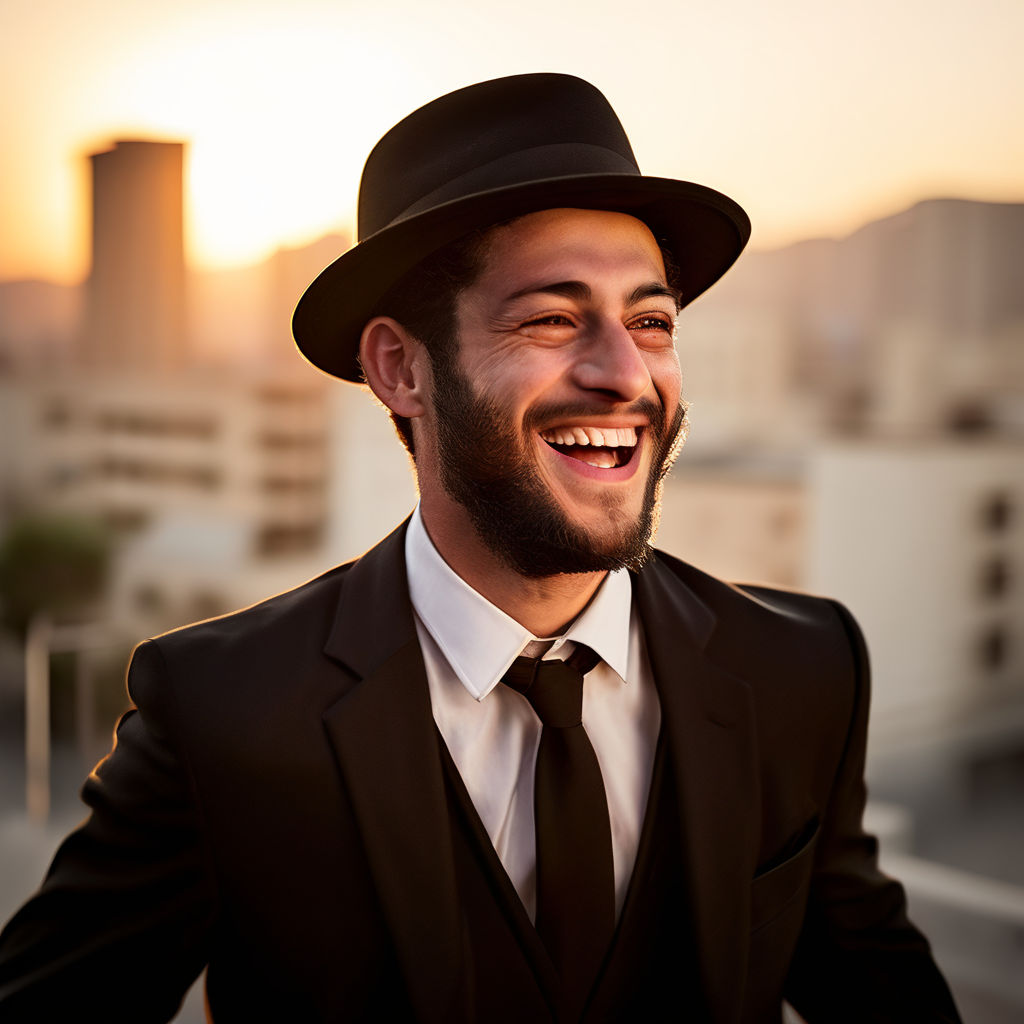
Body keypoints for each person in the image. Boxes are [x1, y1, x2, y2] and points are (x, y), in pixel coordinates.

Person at [0, 74, 960, 1023]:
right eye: (550, 317)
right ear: (401, 368)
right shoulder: (222, 712)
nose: (625, 373)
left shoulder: (802, 668)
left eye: (652, 322)